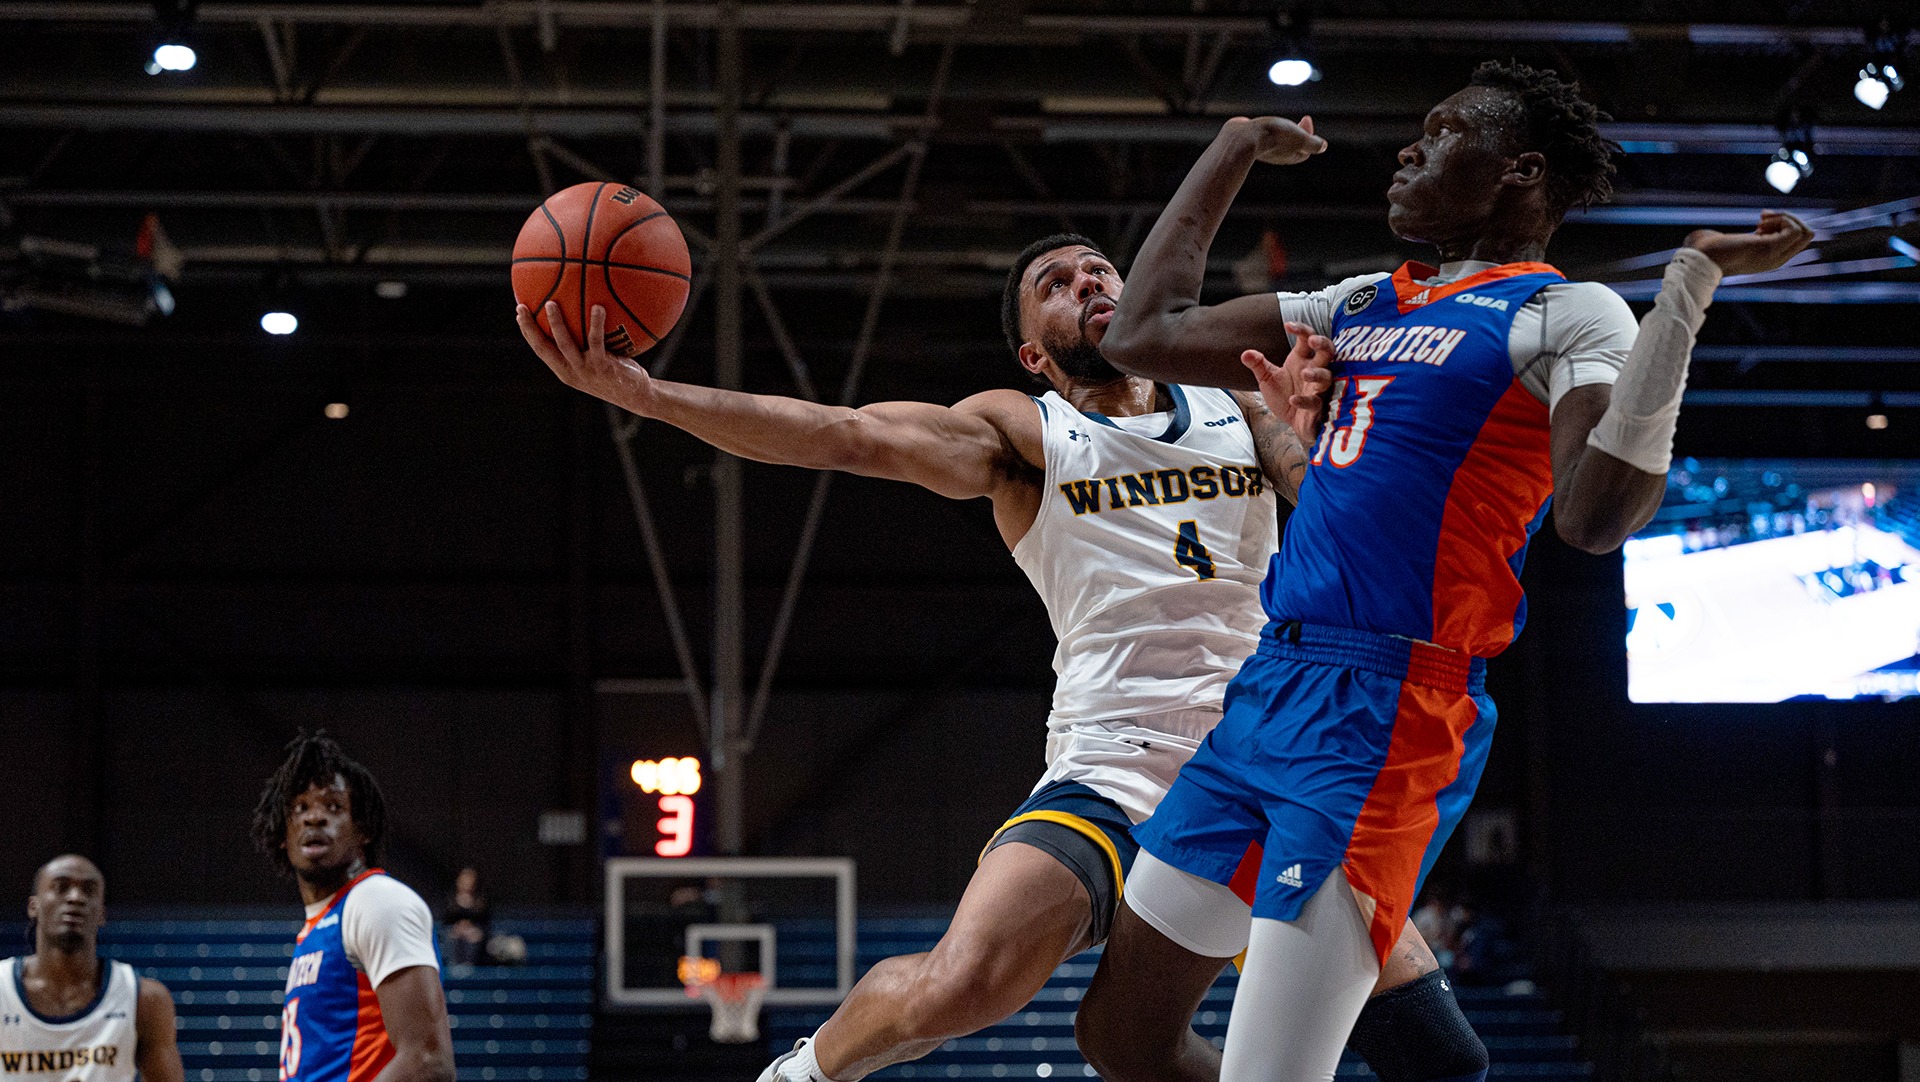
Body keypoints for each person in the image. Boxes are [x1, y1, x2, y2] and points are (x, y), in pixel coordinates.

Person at [516, 233, 1485, 1082]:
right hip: (1117, 761)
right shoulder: (1026, 428)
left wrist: (1329, 438)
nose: (1090, 283)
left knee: (1435, 1049)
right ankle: (805, 1070)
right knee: (967, 981)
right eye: (1058, 283)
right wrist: (647, 395)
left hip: (1275, 756)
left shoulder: (1239, 399)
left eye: (1101, 270)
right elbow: (843, 435)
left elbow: (1347, 539)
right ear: (1033, 350)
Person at [1086, 59, 1813, 1082]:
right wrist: (1235, 146)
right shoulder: (1360, 302)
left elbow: (1598, 517)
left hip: (1387, 706)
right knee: (1119, 1036)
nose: (1409, 150)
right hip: (1268, 690)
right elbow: (1140, 334)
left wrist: (1686, 289)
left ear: (1517, 171)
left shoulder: (1569, 313)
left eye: (1440, 132)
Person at [251, 732, 455, 1082]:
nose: (314, 818)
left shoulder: (376, 901)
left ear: (362, 830)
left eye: (333, 806)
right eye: (300, 807)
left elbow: (427, 1061)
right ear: (283, 835)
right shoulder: (318, 926)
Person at [0, 855, 182, 1082]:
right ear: (33, 906)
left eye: (89, 890)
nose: (76, 898)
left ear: (102, 914)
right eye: (61, 887)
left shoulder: (144, 999)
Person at [441, 868, 491, 968]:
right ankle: (454, 967)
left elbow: (486, 925)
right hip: (453, 931)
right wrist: (458, 928)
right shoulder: (450, 900)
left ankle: (470, 968)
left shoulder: (481, 902)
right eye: (464, 880)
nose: (466, 884)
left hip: (474, 933)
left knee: (473, 938)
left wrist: (474, 930)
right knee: (453, 937)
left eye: (469, 881)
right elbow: (445, 922)